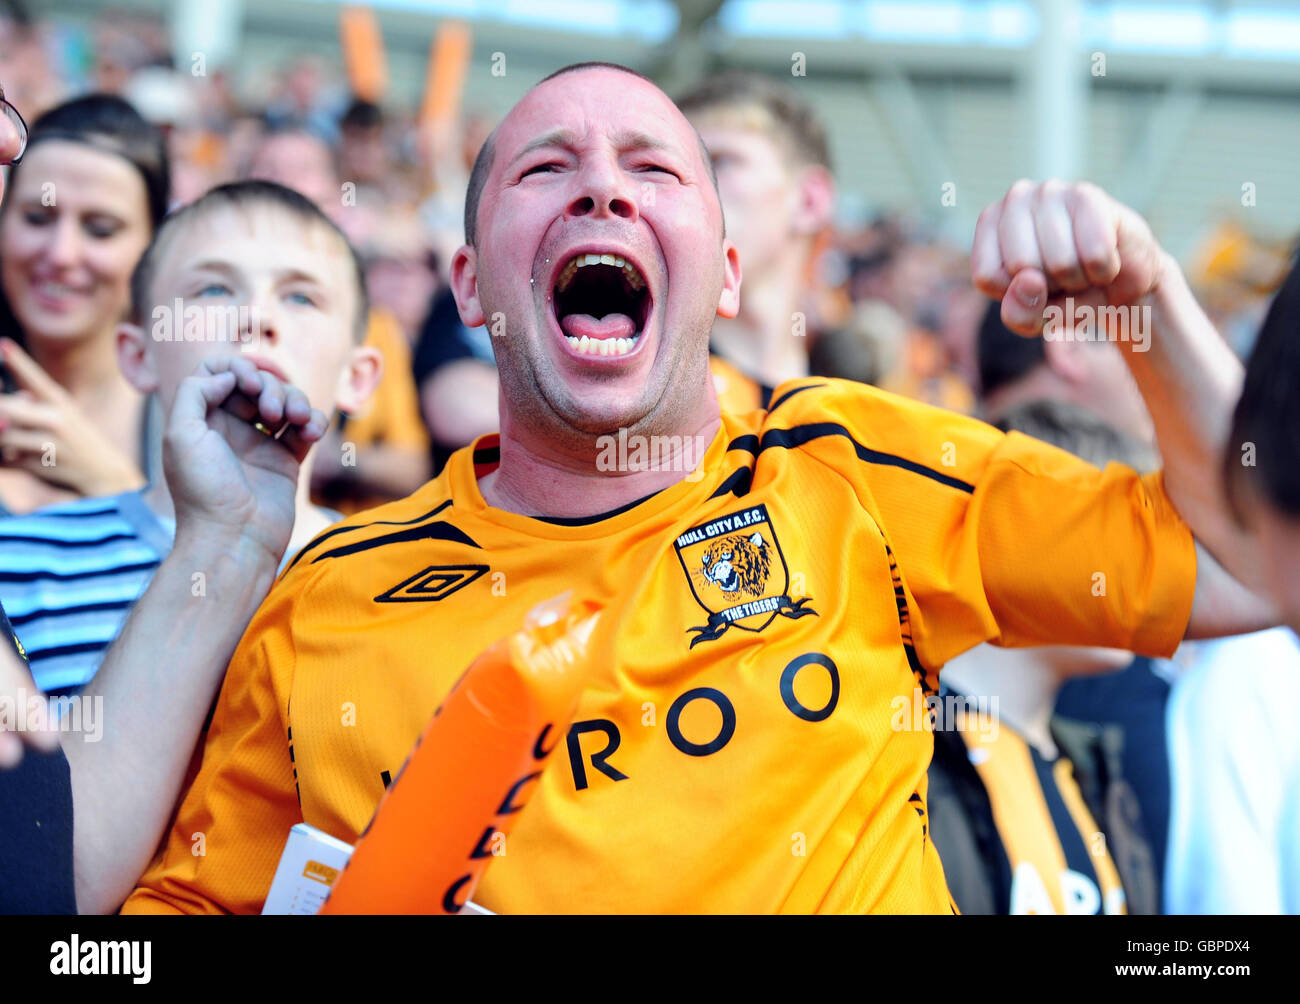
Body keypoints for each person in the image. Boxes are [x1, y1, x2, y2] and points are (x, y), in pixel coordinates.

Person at [125, 62, 1273, 915]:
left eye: (655, 168)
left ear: (724, 275)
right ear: (470, 284)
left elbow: (1256, 562)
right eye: (545, 167)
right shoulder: (328, 599)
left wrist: (1151, 302)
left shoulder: (853, 471)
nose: (603, 194)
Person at [0, 180, 382, 699]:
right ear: (138, 356)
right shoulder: (19, 565)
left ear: (357, 377)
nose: (257, 319)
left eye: (300, 296)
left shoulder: (387, 583)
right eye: (215, 290)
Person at [928, 399, 1162, 915]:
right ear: (1030, 535)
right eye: (1125, 542)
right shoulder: (910, 765)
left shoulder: (1091, 769)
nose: (1148, 579)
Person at [0, 94, 169, 516]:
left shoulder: (194, 418)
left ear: (153, 248)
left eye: (100, 229)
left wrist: (113, 488)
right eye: (37, 218)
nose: (61, 254)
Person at [677, 71, 835, 410]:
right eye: (671, 169)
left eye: (719, 162)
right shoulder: (641, 404)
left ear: (810, 201)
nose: (690, 187)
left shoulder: (856, 418)